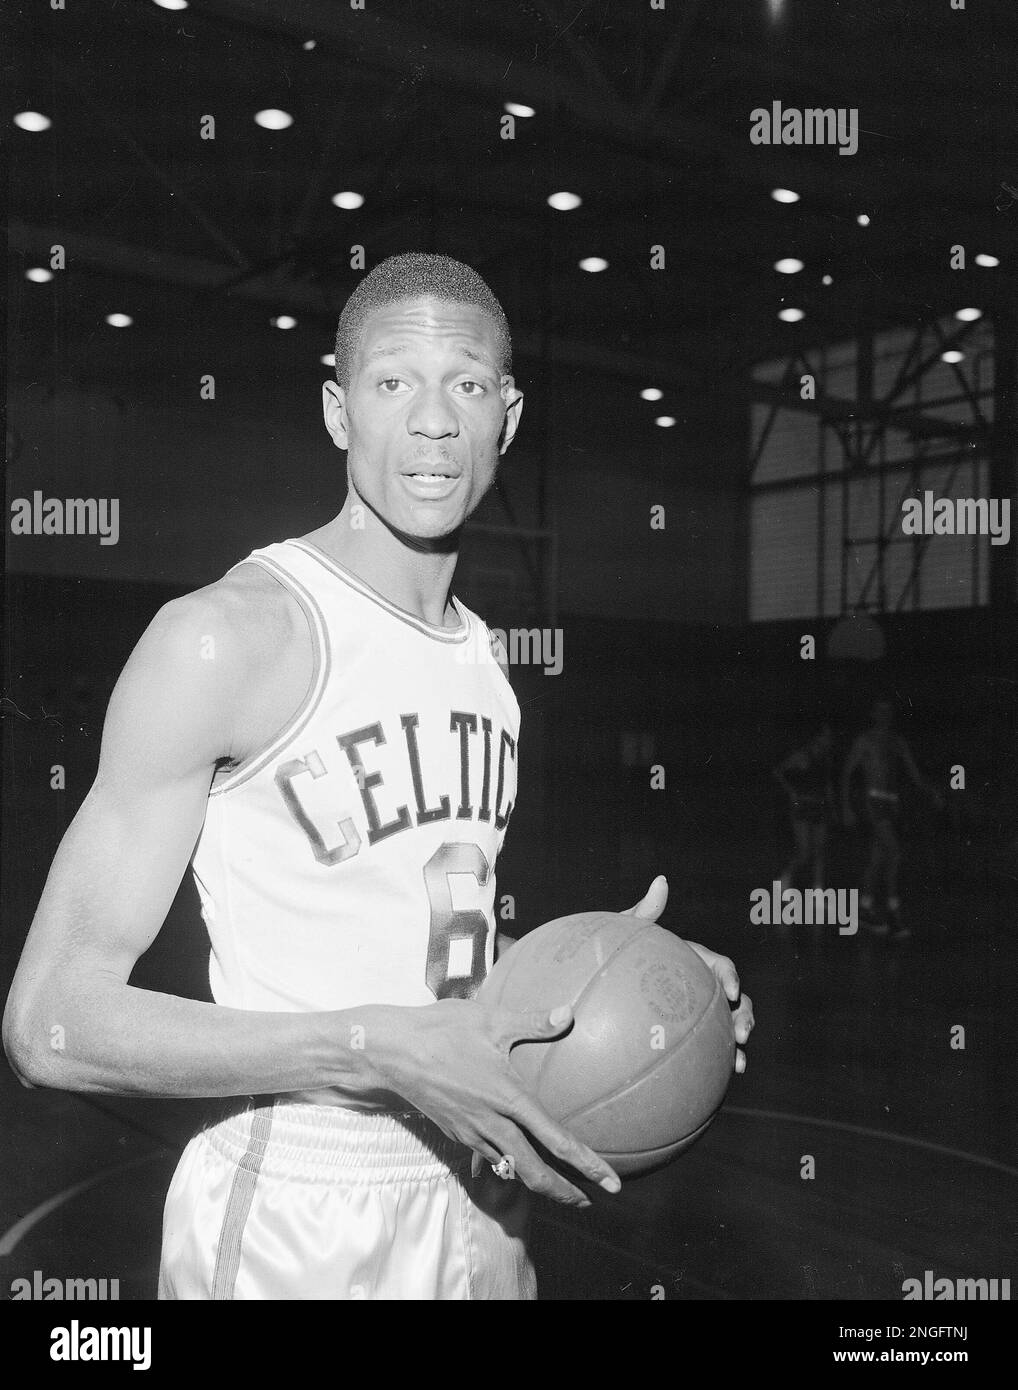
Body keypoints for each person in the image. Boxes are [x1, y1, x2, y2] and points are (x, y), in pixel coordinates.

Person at [3, 254, 754, 1301]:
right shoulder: (226, 638)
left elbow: (422, 959)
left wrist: (622, 978)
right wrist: (373, 1051)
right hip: (295, 1211)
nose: (434, 420)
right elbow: (50, 1022)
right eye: (394, 381)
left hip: (484, 1198)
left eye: (468, 384)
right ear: (337, 409)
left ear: (509, 413)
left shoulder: (487, 665)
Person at [841, 697, 943, 939]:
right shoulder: (864, 740)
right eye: (880, 710)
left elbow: (915, 775)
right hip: (872, 802)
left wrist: (934, 792)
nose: (885, 714)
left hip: (890, 804)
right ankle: (893, 911)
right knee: (895, 853)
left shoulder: (898, 742)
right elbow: (846, 773)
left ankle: (864, 909)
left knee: (878, 860)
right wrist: (846, 807)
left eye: (889, 710)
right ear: (873, 713)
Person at [773, 722, 835, 895]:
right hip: (803, 806)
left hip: (820, 805)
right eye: (826, 736)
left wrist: (832, 805)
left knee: (821, 849)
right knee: (805, 852)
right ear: (818, 736)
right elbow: (778, 771)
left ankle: (818, 888)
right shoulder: (803, 755)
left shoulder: (827, 757)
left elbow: (827, 783)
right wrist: (792, 792)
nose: (829, 739)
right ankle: (785, 877)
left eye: (831, 737)